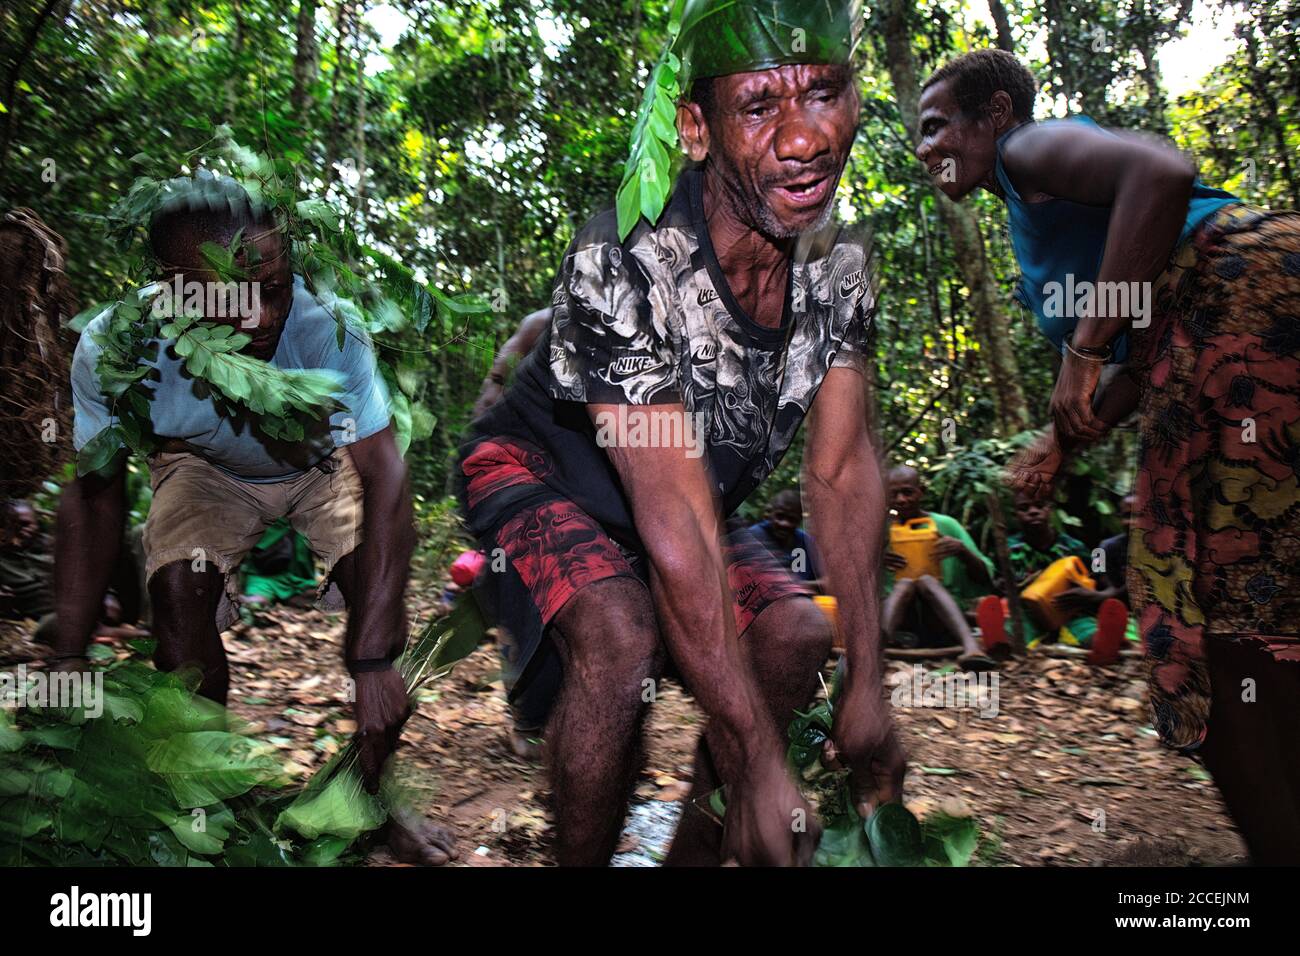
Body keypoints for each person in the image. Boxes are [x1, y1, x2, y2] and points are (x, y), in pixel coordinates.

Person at [456, 0, 904, 866]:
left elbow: (843, 472)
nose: (804, 137)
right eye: (759, 105)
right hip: (538, 467)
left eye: (823, 93)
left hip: (677, 492)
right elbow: (677, 529)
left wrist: (868, 681)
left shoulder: (839, 267)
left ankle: (695, 858)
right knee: (618, 639)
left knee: (797, 638)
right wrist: (761, 757)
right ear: (695, 128)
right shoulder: (622, 261)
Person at [916, 48, 1300, 862]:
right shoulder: (1031, 235)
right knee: (1241, 603)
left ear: (995, 118)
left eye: (937, 124)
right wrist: (1059, 441)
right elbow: (1130, 358)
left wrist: (1082, 351)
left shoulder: (1026, 153)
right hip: (1209, 346)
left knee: (1198, 603)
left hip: (1248, 297)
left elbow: (1161, 171)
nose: (924, 148)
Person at [51, 174, 457, 865]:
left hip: (323, 461)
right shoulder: (114, 349)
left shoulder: (328, 326)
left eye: (276, 286)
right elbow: (95, 497)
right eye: (237, 295)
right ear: (174, 289)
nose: (266, 316)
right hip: (202, 469)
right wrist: (67, 653)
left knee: (378, 598)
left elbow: (387, 479)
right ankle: (217, 800)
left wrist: (372, 656)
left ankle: (368, 797)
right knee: (179, 607)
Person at [976, 491, 1127, 664]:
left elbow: (1107, 586)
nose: (1033, 511)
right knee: (1012, 633)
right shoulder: (1007, 549)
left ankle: (1104, 644)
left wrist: (1095, 596)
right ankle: (999, 644)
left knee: (1089, 633)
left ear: (1050, 509)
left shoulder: (1077, 547)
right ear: (1015, 514)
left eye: (1040, 506)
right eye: (1024, 508)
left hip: (1070, 612)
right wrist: (1010, 587)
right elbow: (996, 585)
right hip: (1028, 614)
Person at [881, 466, 996, 670]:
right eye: (894, 494)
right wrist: (876, 561)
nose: (901, 499)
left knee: (926, 581)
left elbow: (986, 579)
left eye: (907, 492)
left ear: (921, 491)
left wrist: (962, 551)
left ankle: (971, 647)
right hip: (902, 623)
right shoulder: (881, 532)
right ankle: (877, 649)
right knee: (906, 583)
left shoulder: (945, 525)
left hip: (941, 621)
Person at [749, 489, 822, 587]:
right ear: (770, 515)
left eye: (791, 519)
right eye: (780, 516)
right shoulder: (754, 536)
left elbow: (825, 582)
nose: (784, 524)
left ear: (799, 521)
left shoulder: (807, 542)